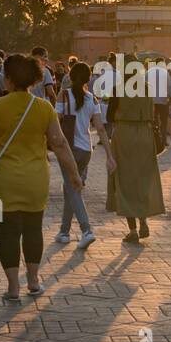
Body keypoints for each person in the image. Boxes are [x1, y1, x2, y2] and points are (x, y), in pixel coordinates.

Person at [0, 54, 84, 297]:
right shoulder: (43, 107)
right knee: (33, 229)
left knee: (6, 232)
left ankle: (12, 287)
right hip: (36, 181)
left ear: (8, 79)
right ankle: (34, 280)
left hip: (1, 183)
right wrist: (74, 174)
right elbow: (58, 143)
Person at [104, 53, 165, 243]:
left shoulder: (118, 89)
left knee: (125, 182)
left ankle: (132, 230)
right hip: (145, 136)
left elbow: (109, 117)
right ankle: (143, 220)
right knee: (143, 179)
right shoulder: (147, 89)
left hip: (124, 136)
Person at [55, 61, 113, 248]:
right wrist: (109, 155)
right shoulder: (92, 99)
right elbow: (101, 129)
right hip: (86, 150)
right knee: (71, 189)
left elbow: (56, 123)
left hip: (69, 150)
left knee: (73, 189)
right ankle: (64, 231)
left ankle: (86, 230)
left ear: (70, 77)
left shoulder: (64, 95)